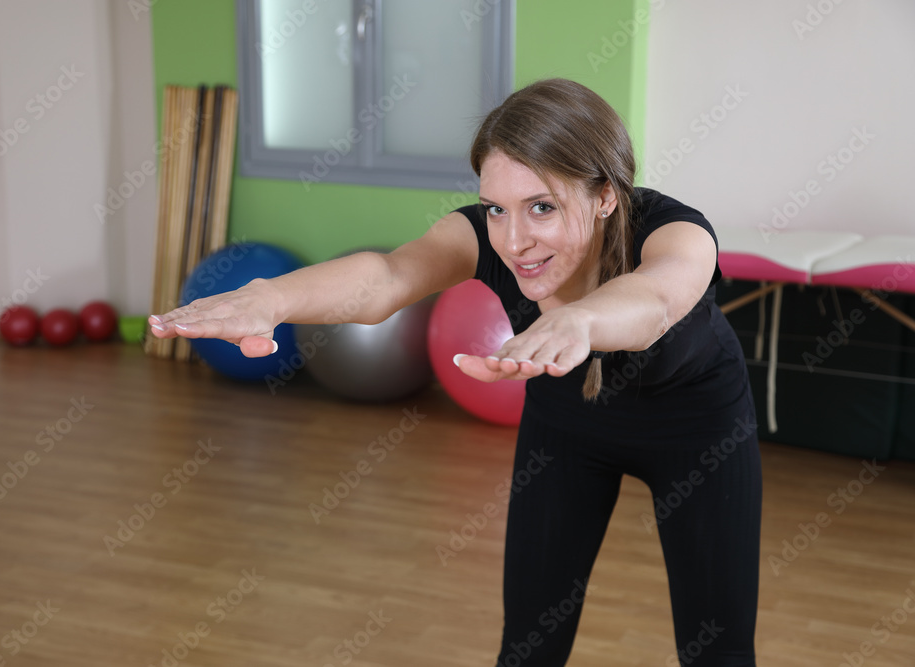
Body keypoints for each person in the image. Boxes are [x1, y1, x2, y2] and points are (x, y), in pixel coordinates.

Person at [149, 78, 762, 667]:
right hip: (567, 426)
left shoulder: (673, 230)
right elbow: (387, 278)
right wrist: (273, 299)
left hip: (697, 428)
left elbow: (655, 300)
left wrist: (579, 322)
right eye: (497, 208)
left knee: (719, 652)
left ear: (606, 196)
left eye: (542, 208)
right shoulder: (481, 238)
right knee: (529, 645)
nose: (515, 241)